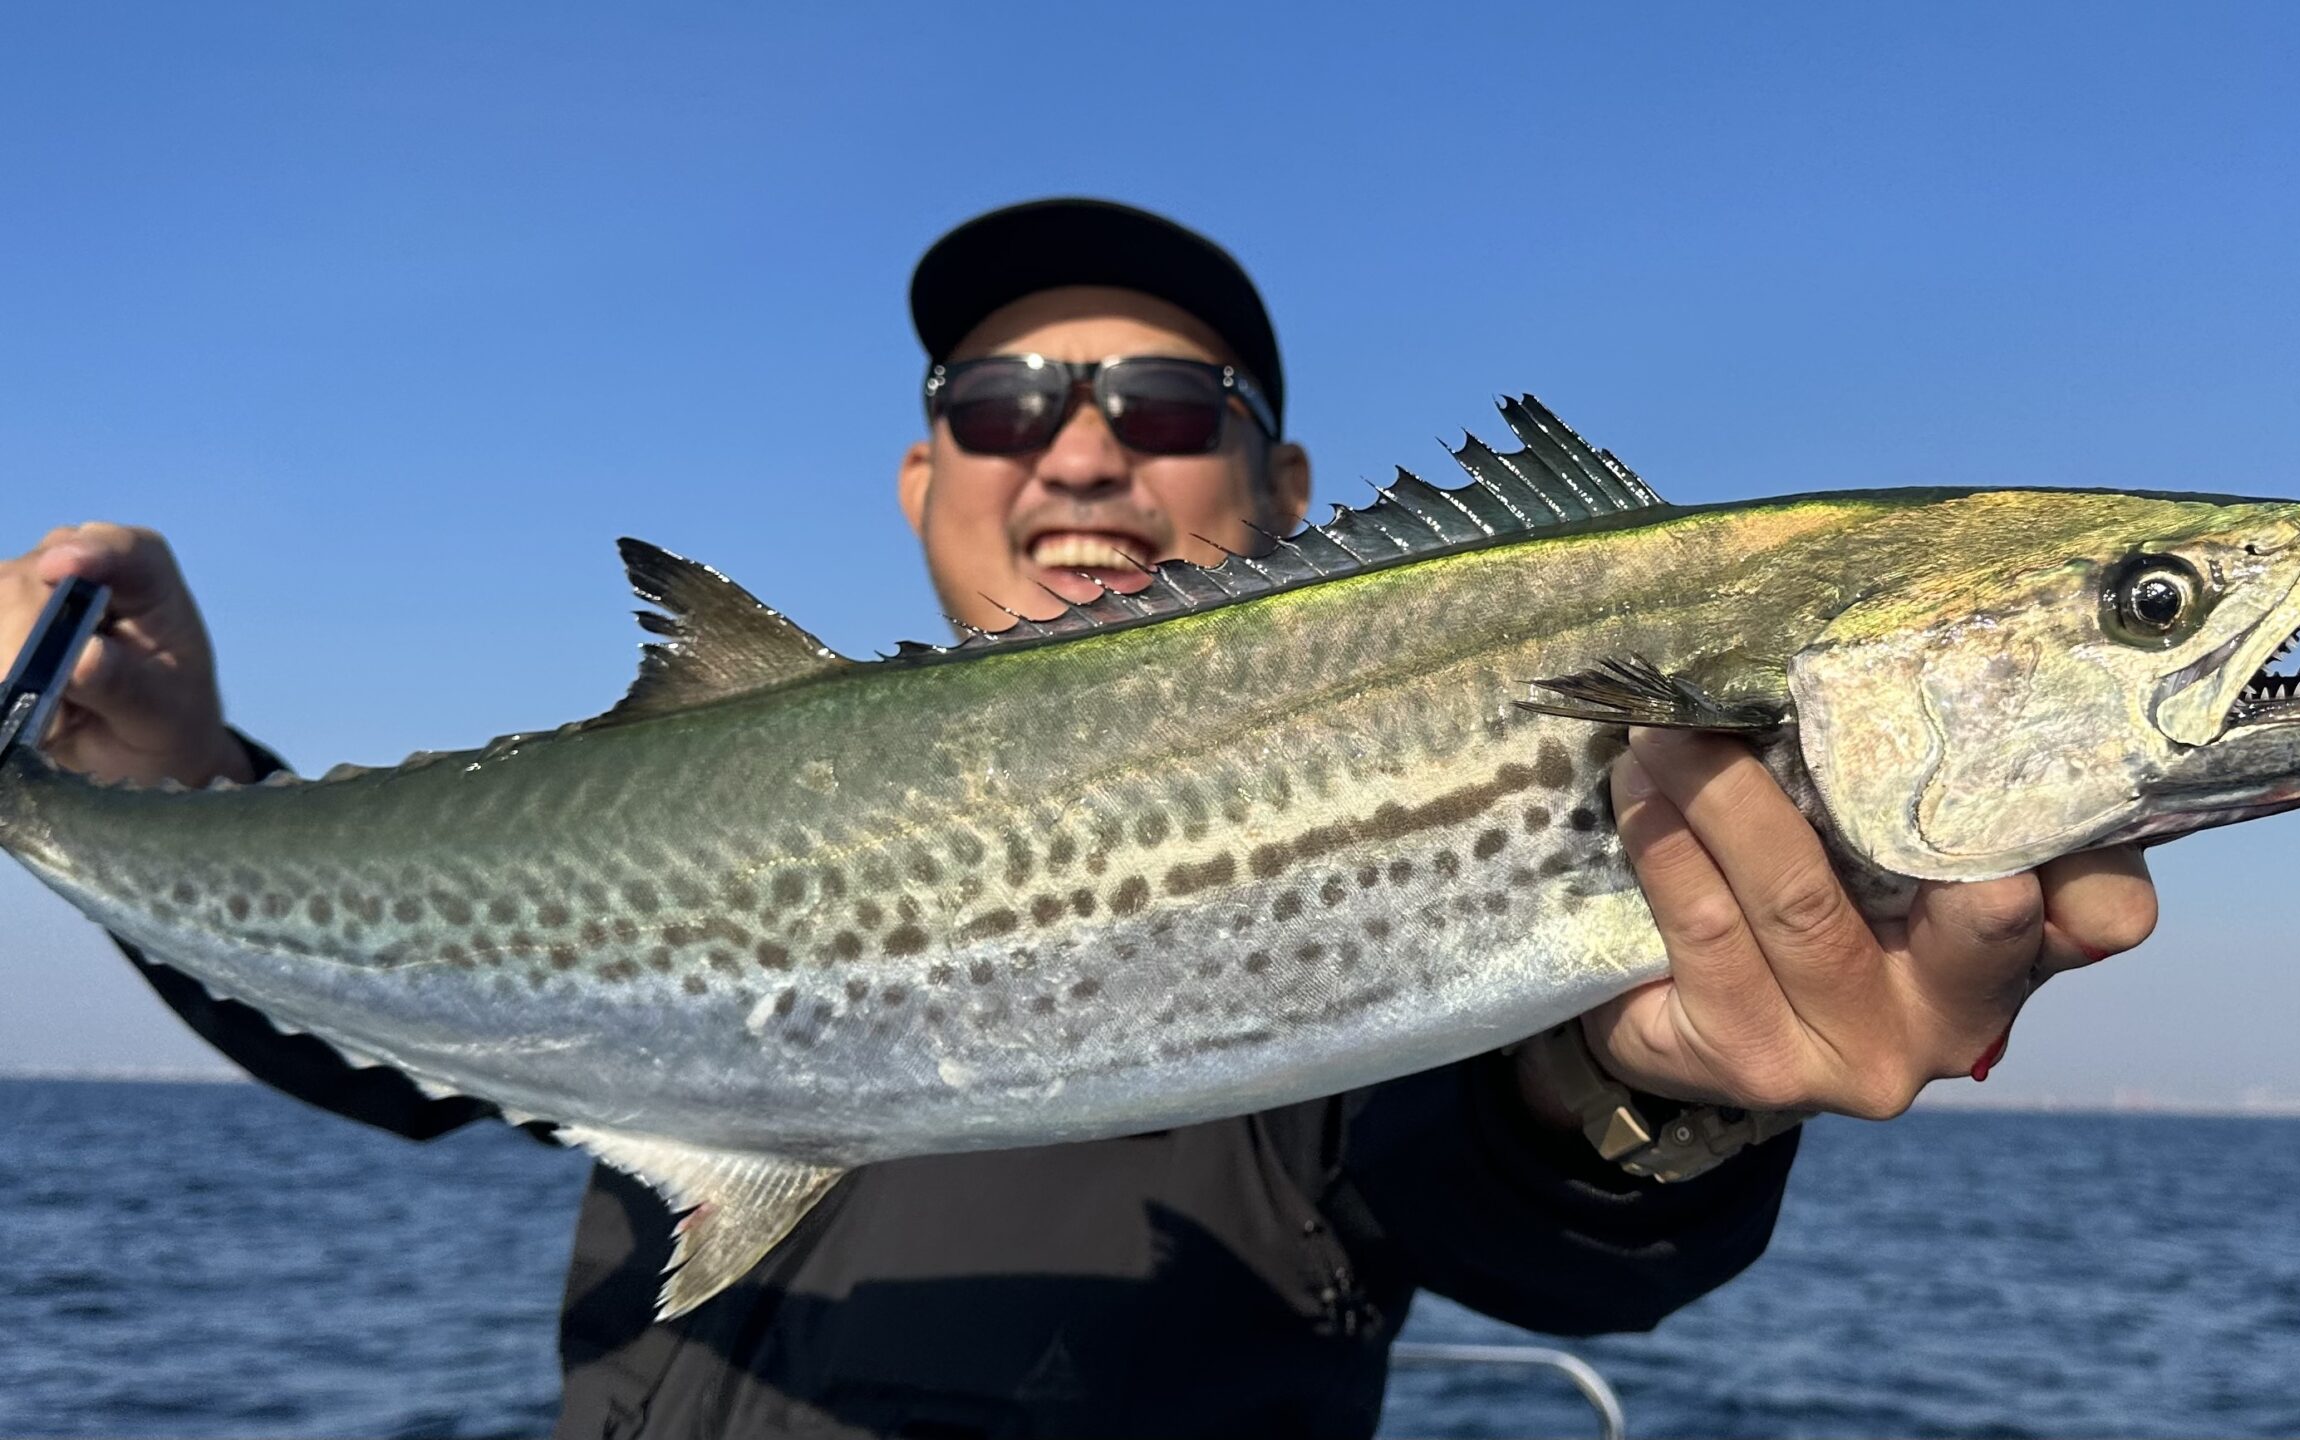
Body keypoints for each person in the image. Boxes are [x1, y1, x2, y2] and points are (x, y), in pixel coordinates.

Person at [0, 199, 2157, 1438]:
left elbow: (1495, 1170)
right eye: (1001, 406)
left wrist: (1647, 1107)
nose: (1085, 456)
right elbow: (419, 1046)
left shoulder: (1452, 740)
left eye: (1166, 405)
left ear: (1291, 501)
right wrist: (154, 779)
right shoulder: (731, 799)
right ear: (924, 482)